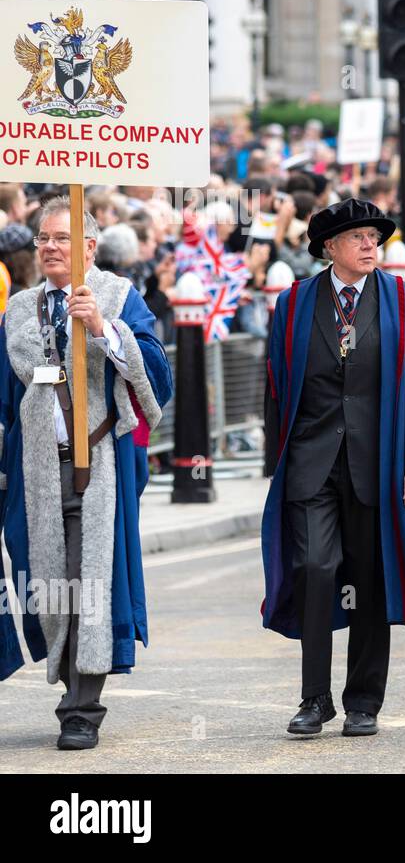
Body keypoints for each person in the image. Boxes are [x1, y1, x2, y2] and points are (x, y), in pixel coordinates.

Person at [261, 198, 405, 737]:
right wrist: (278, 460)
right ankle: (314, 698)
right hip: (311, 464)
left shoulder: (403, 299)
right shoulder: (293, 304)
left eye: (375, 238)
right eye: (359, 238)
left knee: (369, 579)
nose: (371, 246)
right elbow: (276, 386)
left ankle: (364, 701)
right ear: (329, 248)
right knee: (316, 569)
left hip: (380, 463)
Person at [0, 195, 172, 750]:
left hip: (98, 469)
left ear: (89, 247)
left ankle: (81, 708)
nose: (49, 247)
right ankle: (67, 681)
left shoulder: (120, 295)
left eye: (61, 238)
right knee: (48, 583)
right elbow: (7, 393)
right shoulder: (20, 308)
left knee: (89, 584)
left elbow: (156, 375)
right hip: (35, 471)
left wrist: (103, 327)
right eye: (42, 239)